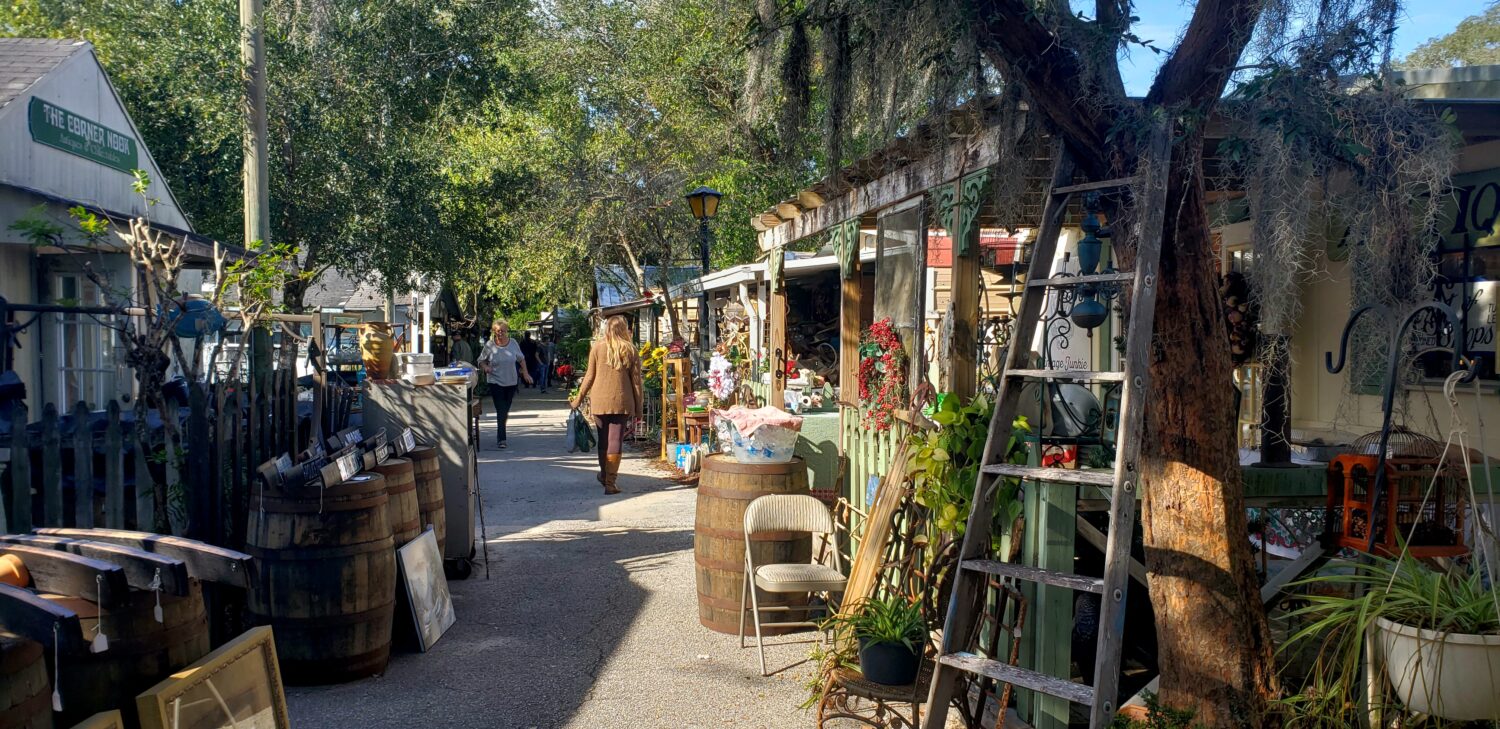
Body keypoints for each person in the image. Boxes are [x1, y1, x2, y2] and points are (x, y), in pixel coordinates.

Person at [570, 315, 642, 495]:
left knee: (603, 440)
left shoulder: (597, 347)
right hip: (621, 401)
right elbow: (636, 383)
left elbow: (589, 376)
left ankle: (603, 475)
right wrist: (639, 408)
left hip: (599, 401)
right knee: (615, 441)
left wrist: (578, 399)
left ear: (607, 329)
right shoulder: (630, 350)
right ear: (623, 329)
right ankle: (610, 482)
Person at [479, 320, 532, 449]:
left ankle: (501, 433)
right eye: (498, 331)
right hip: (495, 381)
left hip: (511, 382)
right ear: (494, 332)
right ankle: (501, 438)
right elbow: (481, 360)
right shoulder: (490, 345)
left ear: (507, 331)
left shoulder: (513, 343)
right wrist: (485, 367)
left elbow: (521, 359)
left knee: (505, 410)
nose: (500, 333)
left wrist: (525, 374)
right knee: (501, 410)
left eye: (503, 330)